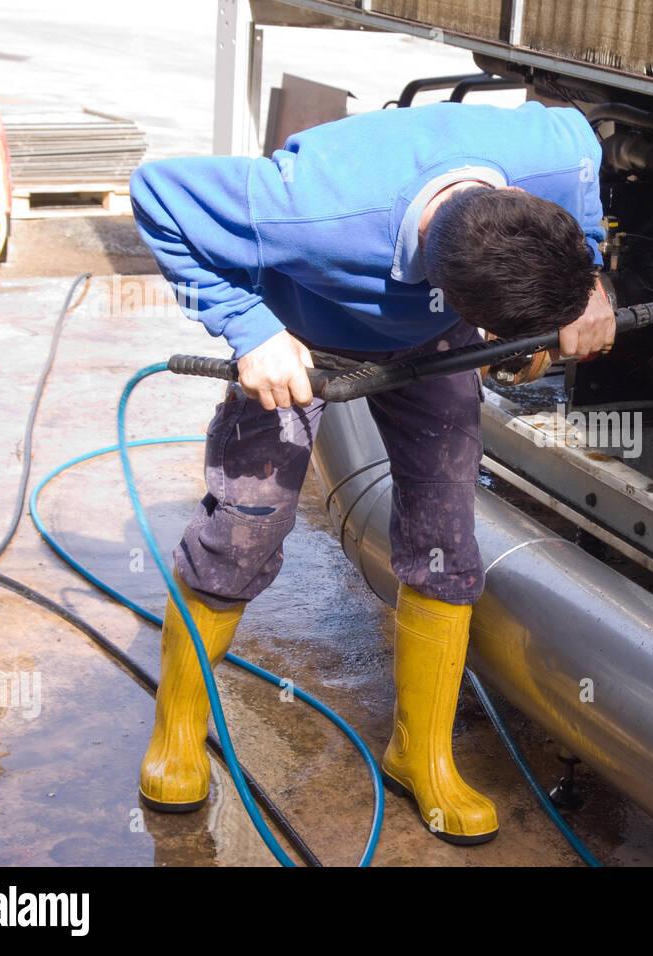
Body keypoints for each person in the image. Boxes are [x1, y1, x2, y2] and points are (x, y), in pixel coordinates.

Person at [128, 99, 614, 845]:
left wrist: (592, 283)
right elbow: (158, 194)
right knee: (247, 527)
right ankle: (179, 729)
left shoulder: (550, 148)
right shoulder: (309, 203)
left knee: (450, 536)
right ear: (442, 283)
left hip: (434, 344)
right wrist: (252, 331)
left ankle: (421, 755)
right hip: (302, 341)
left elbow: (585, 165)